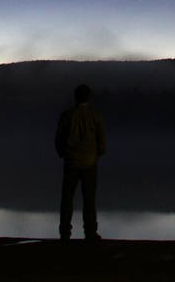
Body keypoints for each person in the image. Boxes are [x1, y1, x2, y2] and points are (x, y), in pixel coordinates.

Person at [55, 83, 106, 242]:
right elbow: (101, 140)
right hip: (90, 162)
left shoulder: (67, 115)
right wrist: (98, 153)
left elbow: (59, 138)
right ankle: (90, 233)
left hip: (71, 162)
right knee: (89, 200)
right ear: (88, 97)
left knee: (67, 199)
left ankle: (65, 233)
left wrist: (62, 153)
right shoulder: (95, 115)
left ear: (75, 96)